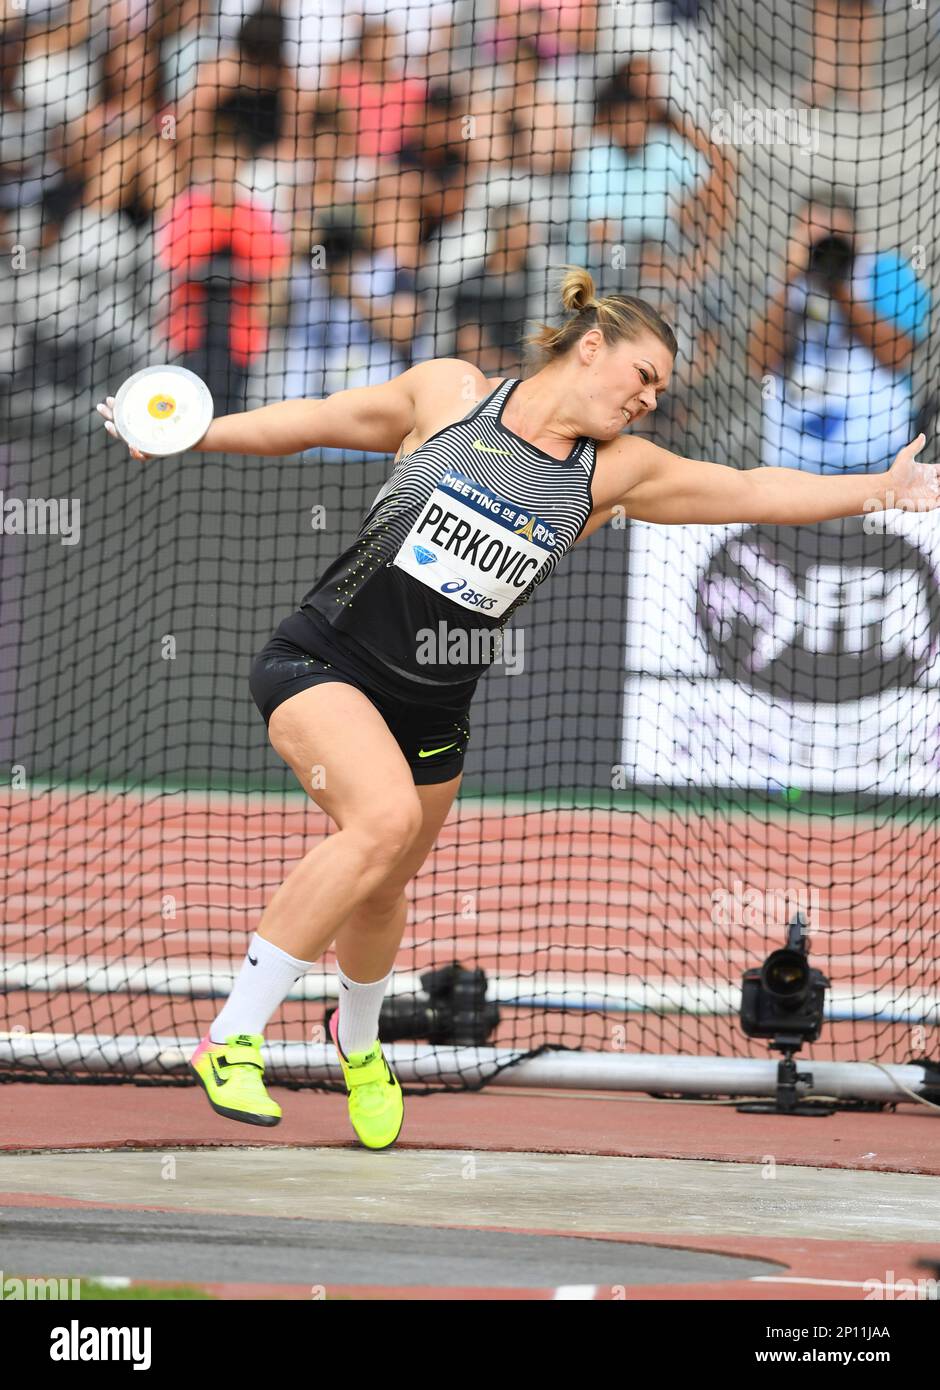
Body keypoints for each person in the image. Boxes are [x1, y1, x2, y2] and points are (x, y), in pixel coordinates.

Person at [96, 266, 938, 1148]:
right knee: (378, 823)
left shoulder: (614, 475)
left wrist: (883, 488)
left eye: (661, 388)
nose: (651, 397)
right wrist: (193, 432)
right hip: (322, 659)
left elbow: (758, 488)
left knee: (383, 887)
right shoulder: (451, 394)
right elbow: (309, 425)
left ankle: (358, 1042)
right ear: (591, 345)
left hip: (433, 711)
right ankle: (232, 1037)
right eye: (643, 375)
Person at [748, 189, 931, 474]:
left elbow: (896, 355)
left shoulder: (885, 271)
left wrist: (837, 285)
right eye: (814, 238)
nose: (823, 246)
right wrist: (788, 281)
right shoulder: (790, 281)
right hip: (796, 457)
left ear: (855, 237)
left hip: (876, 453)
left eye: (832, 237)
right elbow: (759, 363)